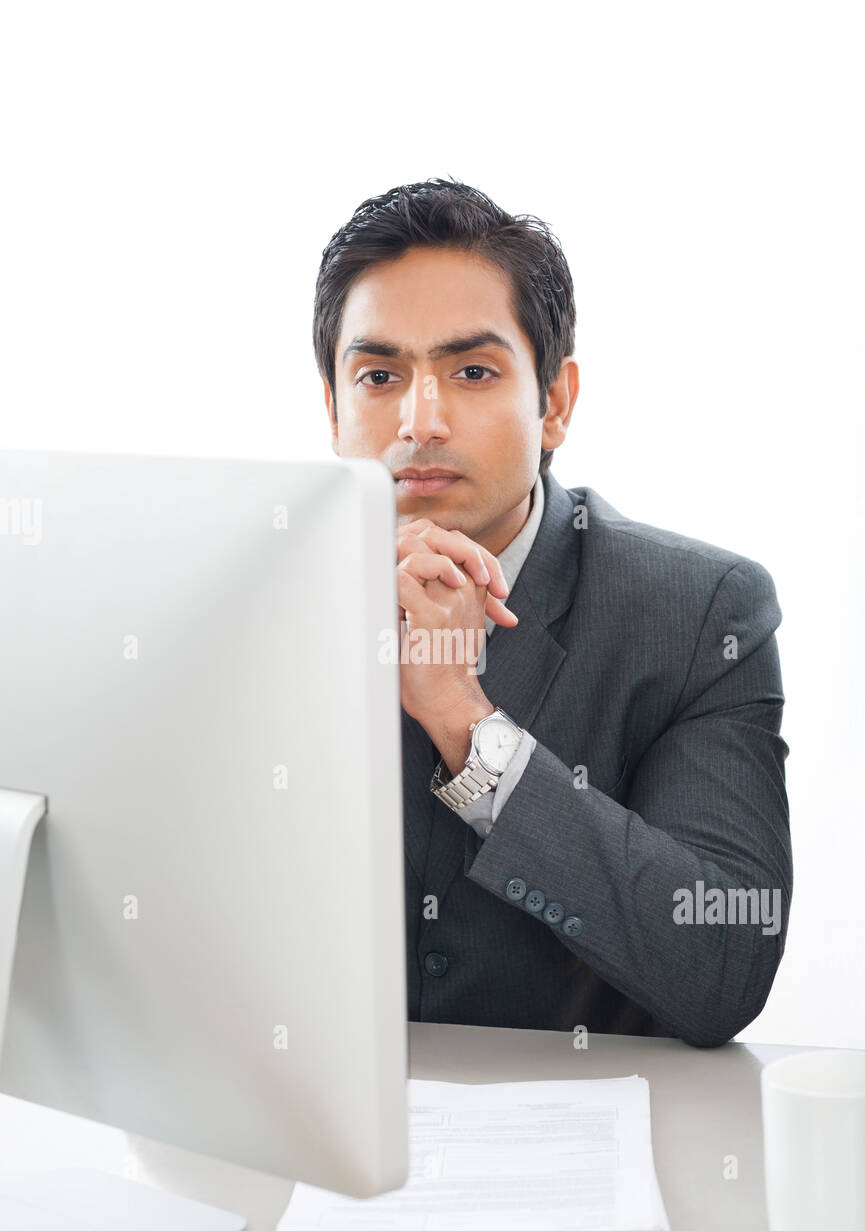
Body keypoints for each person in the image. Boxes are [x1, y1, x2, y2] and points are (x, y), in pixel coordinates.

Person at [312, 177, 792, 1047]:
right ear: (331, 407)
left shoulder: (697, 616)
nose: (419, 421)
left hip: (591, 1155)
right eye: (378, 374)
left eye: (471, 371)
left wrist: (463, 720)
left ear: (555, 404)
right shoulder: (249, 602)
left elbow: (723, 961)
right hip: (310, 1149)